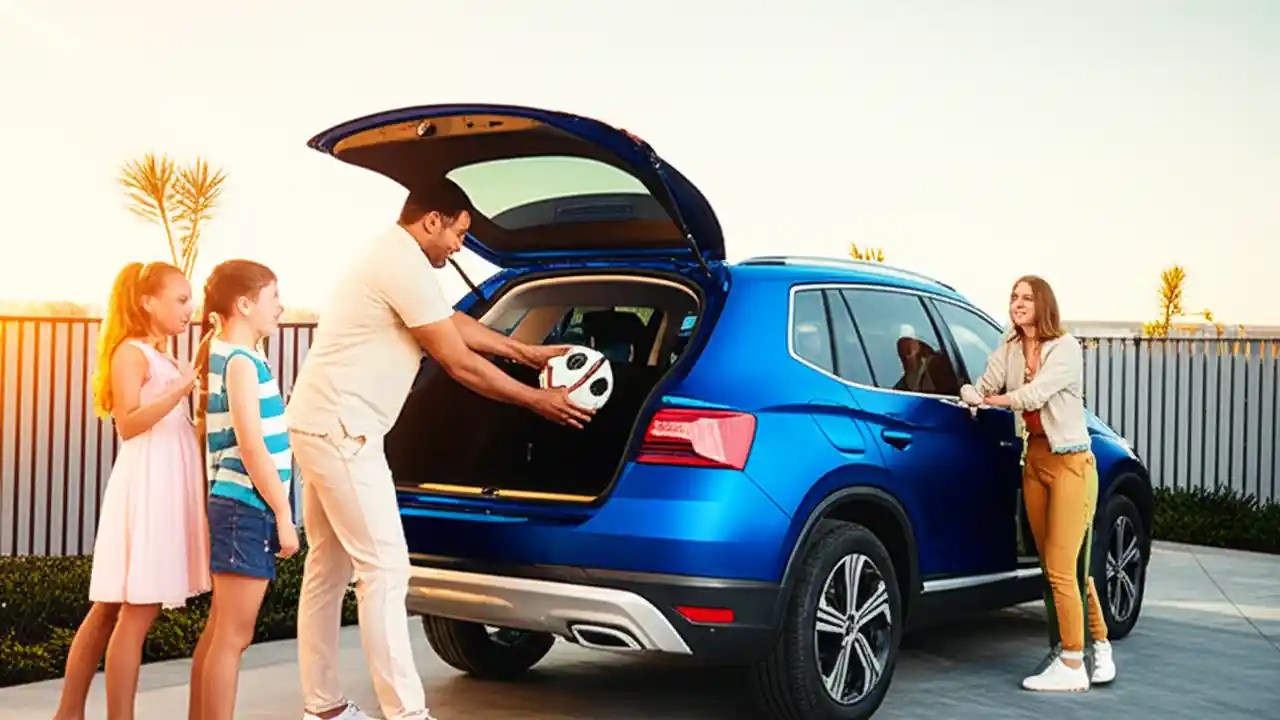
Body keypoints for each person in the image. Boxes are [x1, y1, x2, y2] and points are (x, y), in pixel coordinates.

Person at [285, 180, 594, 720]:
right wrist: (537, 400)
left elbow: (451, 321)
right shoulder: (399, 262)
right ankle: (406, 714)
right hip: (344, 430)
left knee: (329, 569)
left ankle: (324, 707)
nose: (459, 248)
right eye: (459, 233)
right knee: (384, 571)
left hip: (319, 423)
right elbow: (457, 361)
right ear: (432, 220)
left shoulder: (391, 256)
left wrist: (527, 351)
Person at [53, 262, 210, 720]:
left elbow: (179, 430)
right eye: (180, 300)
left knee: (110, 608)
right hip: (147, 487)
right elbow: (128, 423)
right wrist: (179, 390)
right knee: (129, 609)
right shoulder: (132, 353)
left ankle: (68, 713)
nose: (189, 308)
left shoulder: (165, 357)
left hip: (166, 481)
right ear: (147, 302)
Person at [960, 275, 1115, 692]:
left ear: (1043, 304)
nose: (1018, 303)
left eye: (1027, 297)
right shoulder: (1009, 347)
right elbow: (987, 381)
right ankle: (1098, 644)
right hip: (1036, 463)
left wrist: (991, 401)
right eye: (1013, 296)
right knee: (1059, 568)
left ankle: (1071, 663)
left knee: (1064, 567)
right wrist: (970, 392)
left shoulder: (1066, 348)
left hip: (1071, 464)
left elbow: (1034, 395)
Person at [186, 260, 301, 720]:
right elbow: (252, 448)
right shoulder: (240, 363)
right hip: (248, 506)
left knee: (220, 632)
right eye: (274, 299)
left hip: (238, 505)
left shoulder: (226, 353)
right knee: (233, 637)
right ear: (245, 304)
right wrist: (282, 514)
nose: (281, 307)